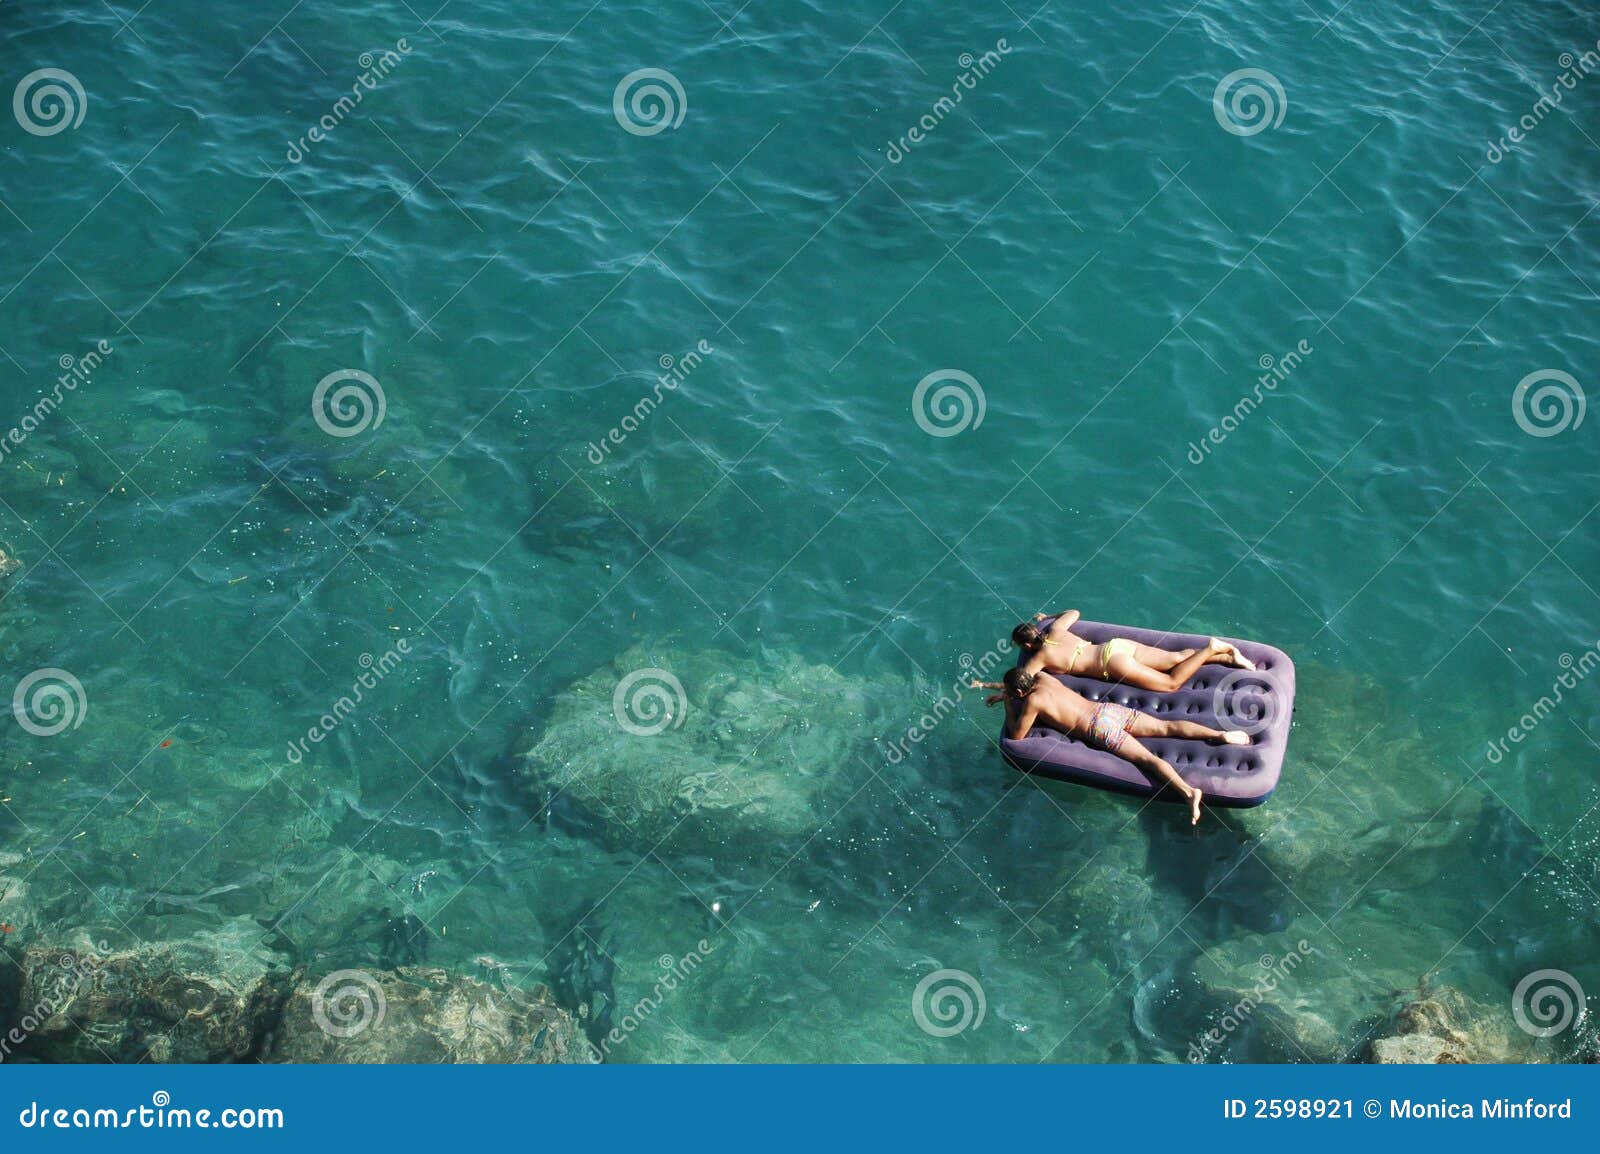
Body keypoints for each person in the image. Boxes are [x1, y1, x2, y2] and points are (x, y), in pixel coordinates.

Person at [975, 668, 1251, 825]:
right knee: (1167, 727)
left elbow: (1018, 734)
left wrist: (1008, 705)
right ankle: (1220, 735)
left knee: (1147, 760)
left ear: (1020, 694)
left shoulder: (1031, 702)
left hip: (1098, 729)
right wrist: (996, 689)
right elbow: (1021, 685)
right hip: (1108, 711)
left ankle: (1189, 793)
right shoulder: (1044, 678)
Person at [1011, 609, 1253, 692]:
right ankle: (1229, 657)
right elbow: (1074, 612)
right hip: (1115, 645)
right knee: (1175, 658)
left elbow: (1020, 682)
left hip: (1112, 664)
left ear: (1028, 646)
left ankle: (1210, 648)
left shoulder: (1040, 657)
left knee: (1170, 684)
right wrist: (1048, 617)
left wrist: (994, 689)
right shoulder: (1056, 630)